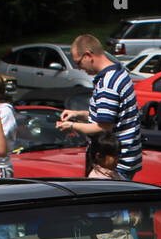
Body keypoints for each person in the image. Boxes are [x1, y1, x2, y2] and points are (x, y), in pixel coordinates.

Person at [57, 34, 142, 180]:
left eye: (78, 63)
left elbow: (103, 127)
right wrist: (78, 114)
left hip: (113, 164)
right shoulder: (119, 73)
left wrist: (71, 126)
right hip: (126, 158)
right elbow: (109, 115)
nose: (79, 68)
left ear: (88, 55)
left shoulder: (107, 84)